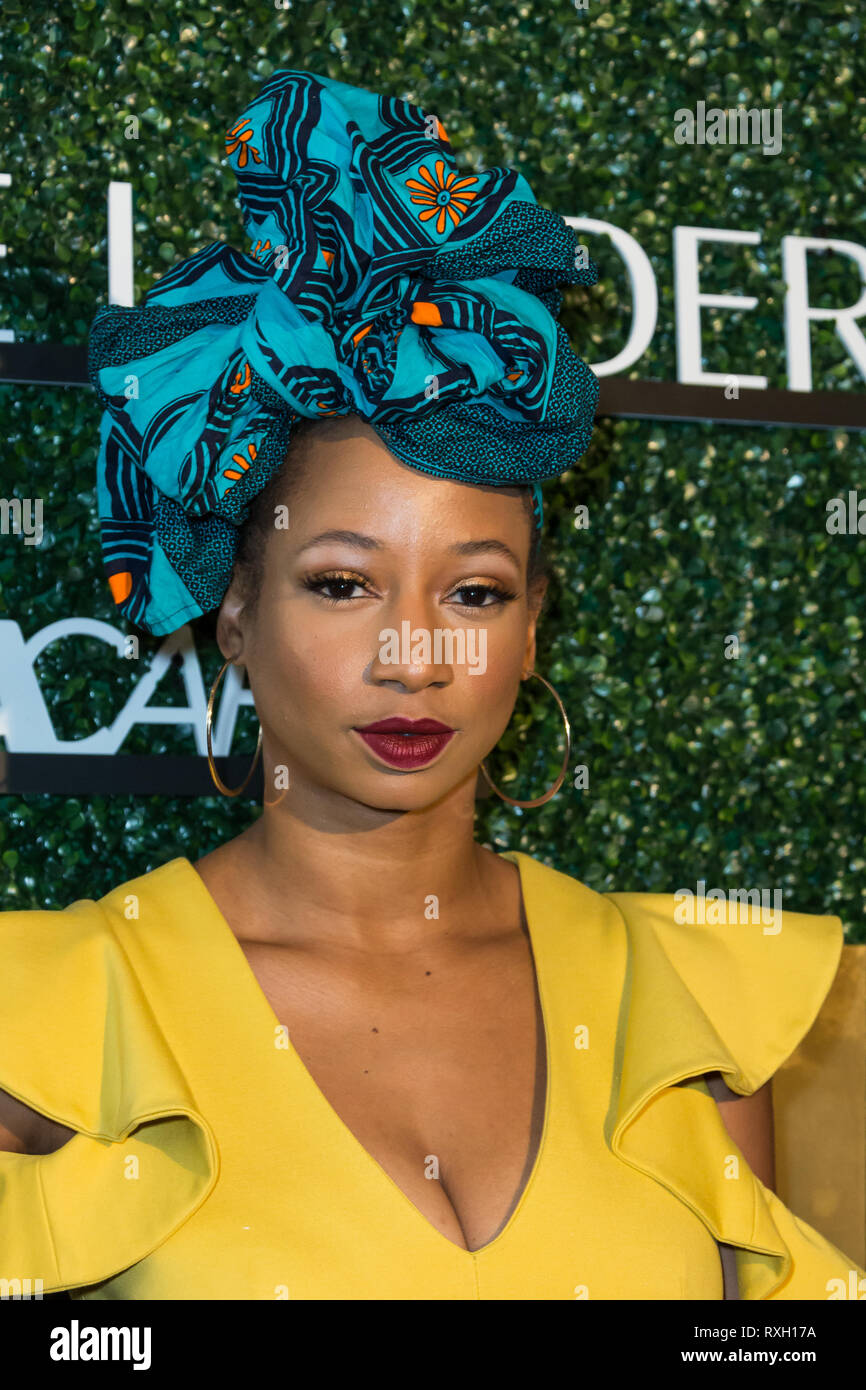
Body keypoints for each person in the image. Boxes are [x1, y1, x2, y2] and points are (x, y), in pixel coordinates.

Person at [0, 70, 862, 1302]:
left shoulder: (687, 1002)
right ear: (234, 611)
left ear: (528, 630)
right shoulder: (50, 1009)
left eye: (473, 593)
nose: (416, 657)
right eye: (343, 585)